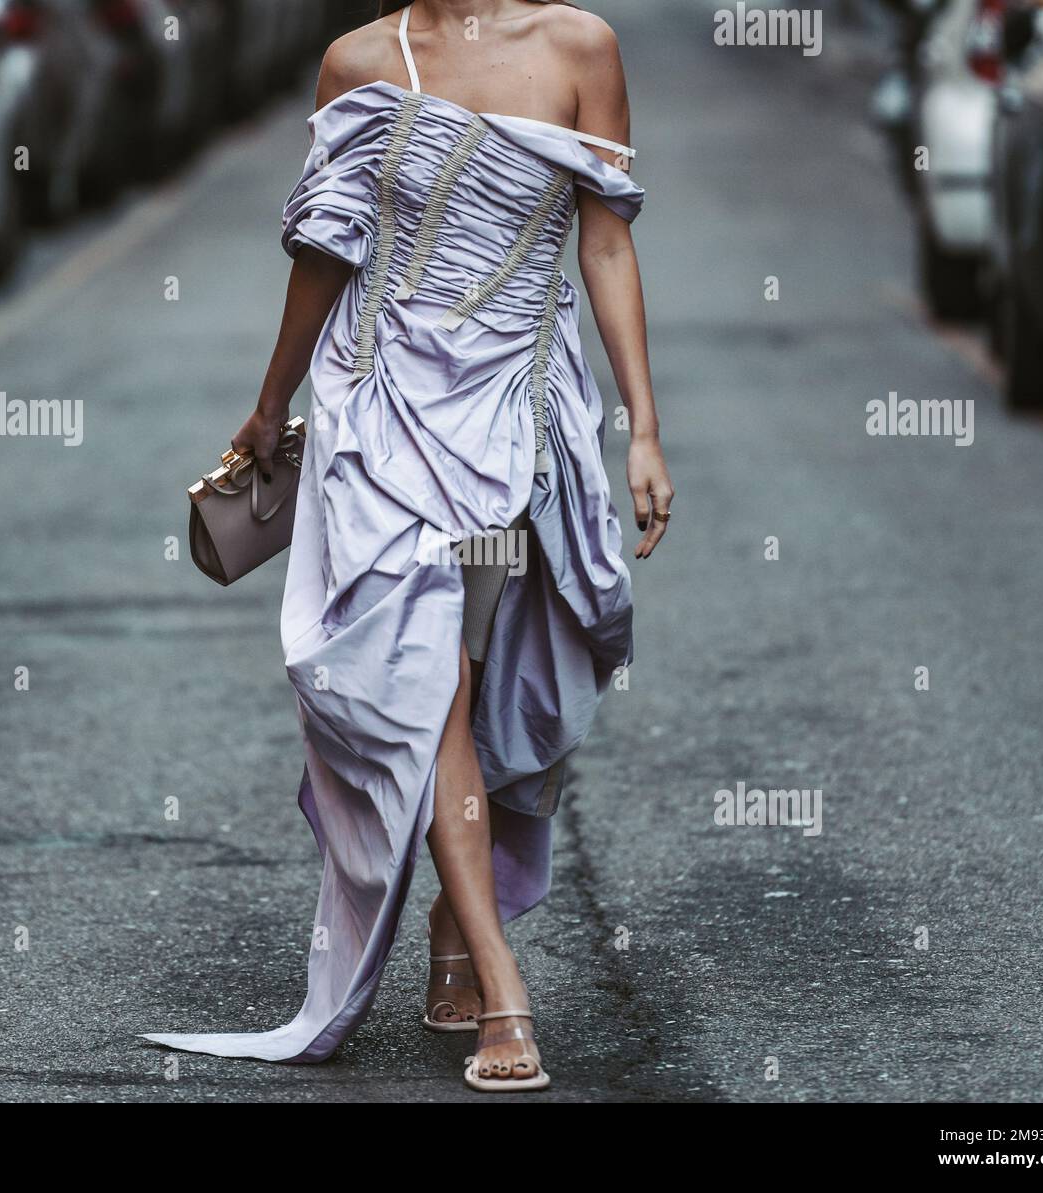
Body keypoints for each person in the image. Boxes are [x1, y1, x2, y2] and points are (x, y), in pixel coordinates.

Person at [144, 0, 672, 1093]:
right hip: (374, 414)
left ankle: (456, 923)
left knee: (479, 682)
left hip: (509, 418)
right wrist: (271, 399)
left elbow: (606, 235)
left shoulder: (580, 46)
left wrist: (644, 428)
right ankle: (499, 978)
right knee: (425, 685)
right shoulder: (358, 60)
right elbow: (328, 245)